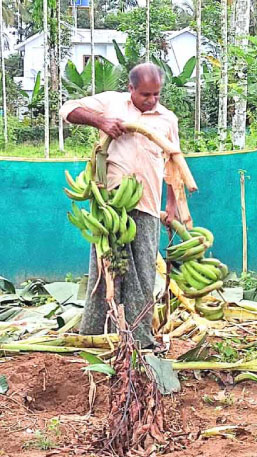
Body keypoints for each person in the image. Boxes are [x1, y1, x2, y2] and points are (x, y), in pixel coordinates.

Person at [58, 62, 186, 349]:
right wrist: (101, 122)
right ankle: (95, 334)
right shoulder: (111, 103)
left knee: (142, 275)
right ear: (130, 89)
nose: (151, 100)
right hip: (109, 207)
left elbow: (173, 164)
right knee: (105, 270)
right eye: (145, 95)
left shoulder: (167, 119)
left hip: (147, 206)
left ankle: (140, 340)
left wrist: (172, 204)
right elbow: (67, 109)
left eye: (156, 94)